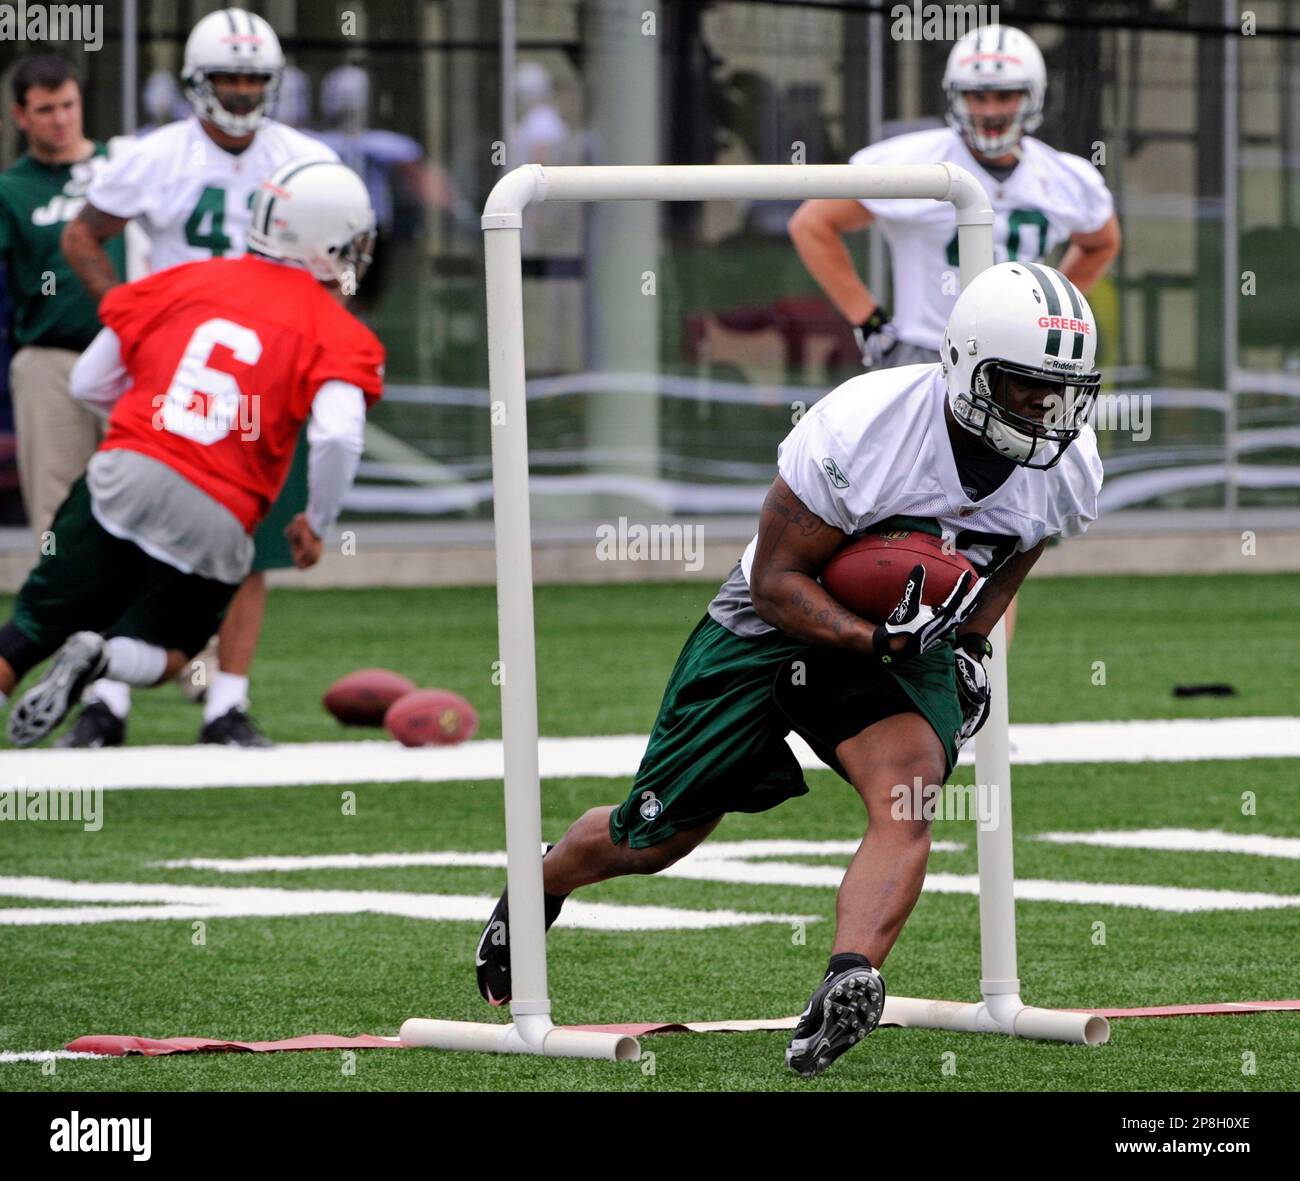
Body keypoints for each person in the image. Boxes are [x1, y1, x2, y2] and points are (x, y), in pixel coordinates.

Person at [473, 261, 1105, 1079]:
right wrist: (879, 643)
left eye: (1061, 392)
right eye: (1025, 388)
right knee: (655, 835)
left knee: (908, 791)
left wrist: (974, 641)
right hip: (773, 623)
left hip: (905, 636)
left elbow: (1021, 543)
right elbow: (775, 584)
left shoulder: (1069, 464)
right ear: (967, 365)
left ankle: (851, 976)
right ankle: (544, 879)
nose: (1046, 412)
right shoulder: (866, 426)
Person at [1, 158, 383, 751]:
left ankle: (70, 651)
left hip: (126, 469)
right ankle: (101, 658)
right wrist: (318, 521)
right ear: (326, 243)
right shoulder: (338, 329)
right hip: (220, 508)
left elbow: (89, 383)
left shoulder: (185, 279)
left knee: (25, 632)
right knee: (178, 653)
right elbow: (338, 435)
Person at [60, 7, 338, 748]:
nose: (244, 91)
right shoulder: (157, 155)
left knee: (247, 540)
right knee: (132, 537)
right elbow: (83, 233)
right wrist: (128, 312)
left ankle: (226, 703)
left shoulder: (303, 156)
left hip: (263, 373)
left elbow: (335, 246)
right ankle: (108, 700)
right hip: (177, 368)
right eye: (230, 77)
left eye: (255, 78)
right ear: (196, 82)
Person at [790, 24, 1118, 648]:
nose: (990, 110)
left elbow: (1103, 239)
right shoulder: (912, 163)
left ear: (1033, 98)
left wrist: (1053, 313)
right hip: (925, 361)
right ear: (954, 97)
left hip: (1018, 377)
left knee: (999, 537)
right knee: (886, 535)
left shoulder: (1063, 178)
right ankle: (874, 662)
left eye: (1005, 95)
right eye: (978, 95)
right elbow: (815, 223)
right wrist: (868, 318)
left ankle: (977, 676)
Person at [0, 54, 125, 540]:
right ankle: (64, 619)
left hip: (127, 352)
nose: (61, 119)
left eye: (68, 105)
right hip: (49, 360)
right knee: (58, 514)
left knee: (139, 504)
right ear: (21, 116)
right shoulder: (11, 189)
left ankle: (130, 619)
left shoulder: (120, 165)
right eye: (47, 109)